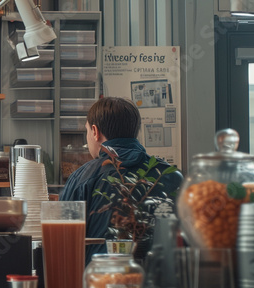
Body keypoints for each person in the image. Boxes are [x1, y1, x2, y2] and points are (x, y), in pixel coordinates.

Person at [60, 96, 183, 244]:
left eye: (87, 130)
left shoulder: (82, 178)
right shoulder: (170, 175)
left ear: (94, 131)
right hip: (160, 267)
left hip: (98, 267)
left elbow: (64, 240)